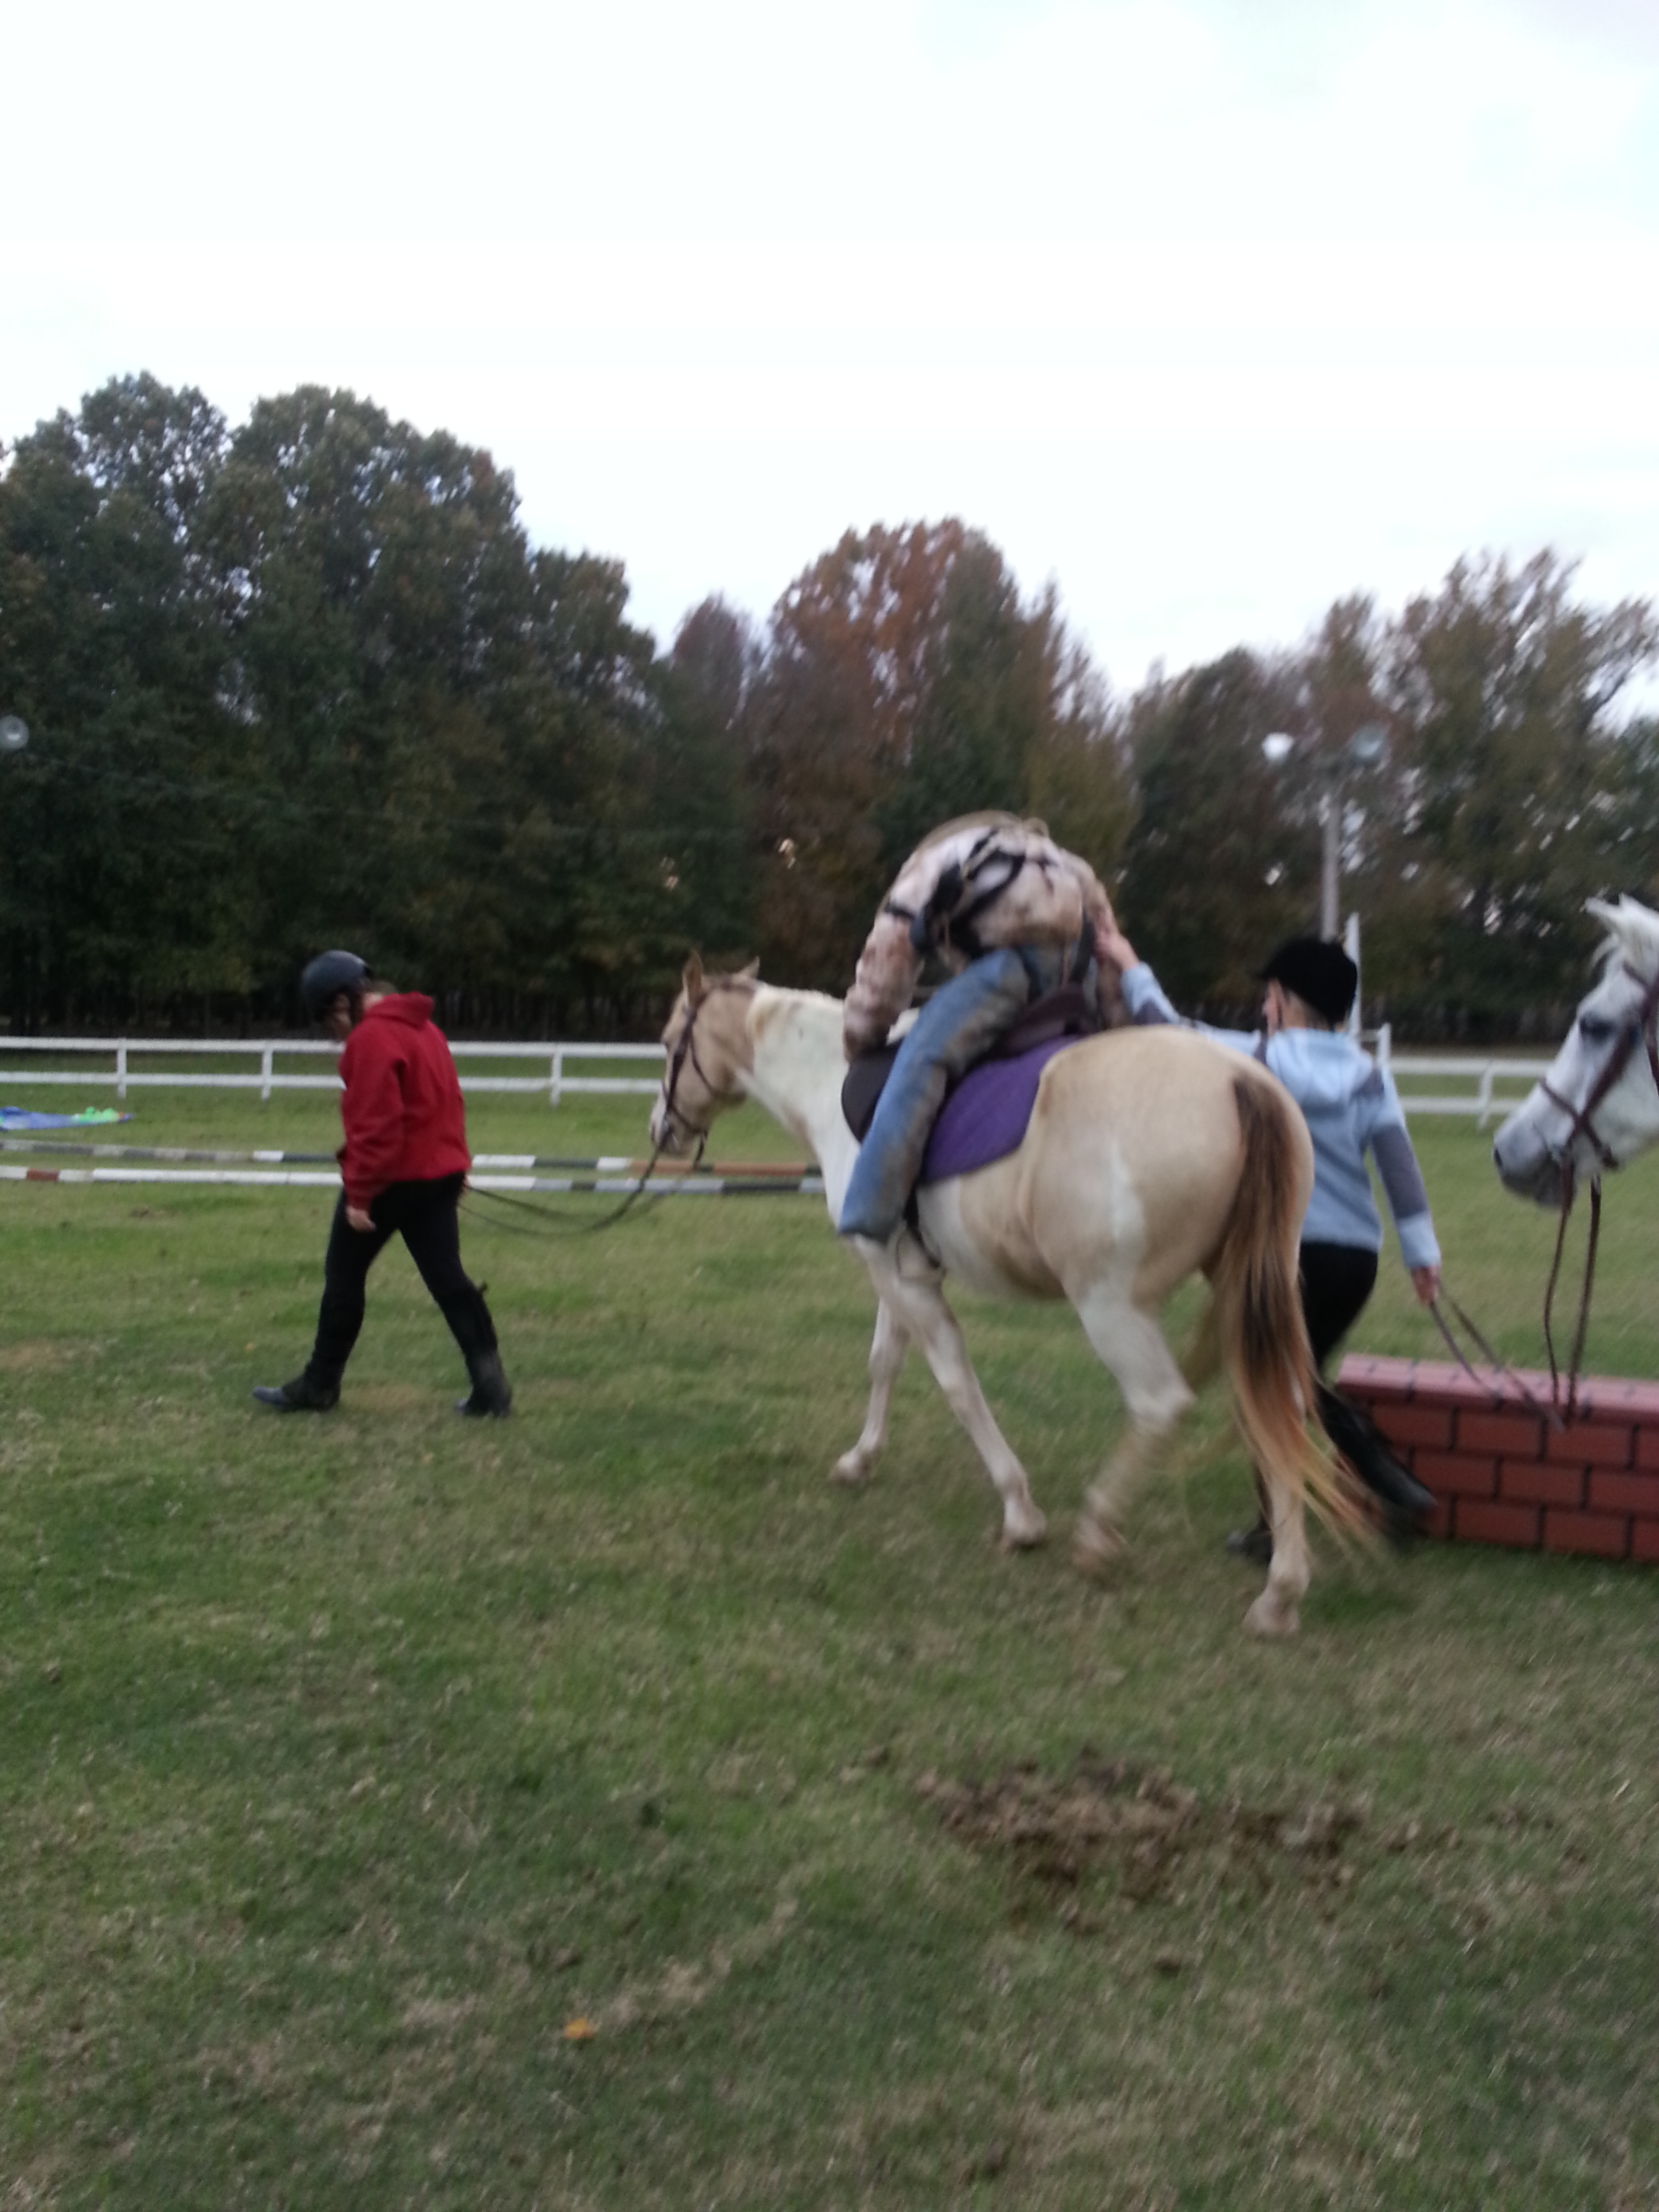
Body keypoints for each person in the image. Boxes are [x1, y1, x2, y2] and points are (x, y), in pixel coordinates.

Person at [1094, 920, 1439, 1554]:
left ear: (1286, 1000)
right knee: (1296, 1379)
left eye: (1269, 995)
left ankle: (1294, 1523)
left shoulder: (1254, 1061)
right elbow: (1400, 1168)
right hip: (1355, 1260)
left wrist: (1128, 961)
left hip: (1285, 1254)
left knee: (1271, 1388)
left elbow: (1168, 1029)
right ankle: (1382, 1489)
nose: (1262, 1007)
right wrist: (1422, 1254)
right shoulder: (1371, 1076)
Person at [253, 949, 512, 1418]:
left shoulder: (371, 1039)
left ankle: (320, 1384)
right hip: (437, 1175)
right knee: (449, 1280)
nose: (333, 1035)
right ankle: (490, 1387)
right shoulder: (427, 1030)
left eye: (327, 1021)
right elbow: (450, 1102)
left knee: (343, 1275)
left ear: (341, 1002)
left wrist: (360, 1195)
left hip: (391, 1181)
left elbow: (376, 1127)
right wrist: (457, 1169)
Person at [838, 815, 1116, 1245]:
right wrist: (1117, 1021)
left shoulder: (933, 862)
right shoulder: (1069, 864)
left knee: (922, 1058)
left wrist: (862, 1035)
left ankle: (870, 1211)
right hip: (1082, 980)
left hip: (1011, 974)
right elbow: (1108, 942)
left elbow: (889, 957)